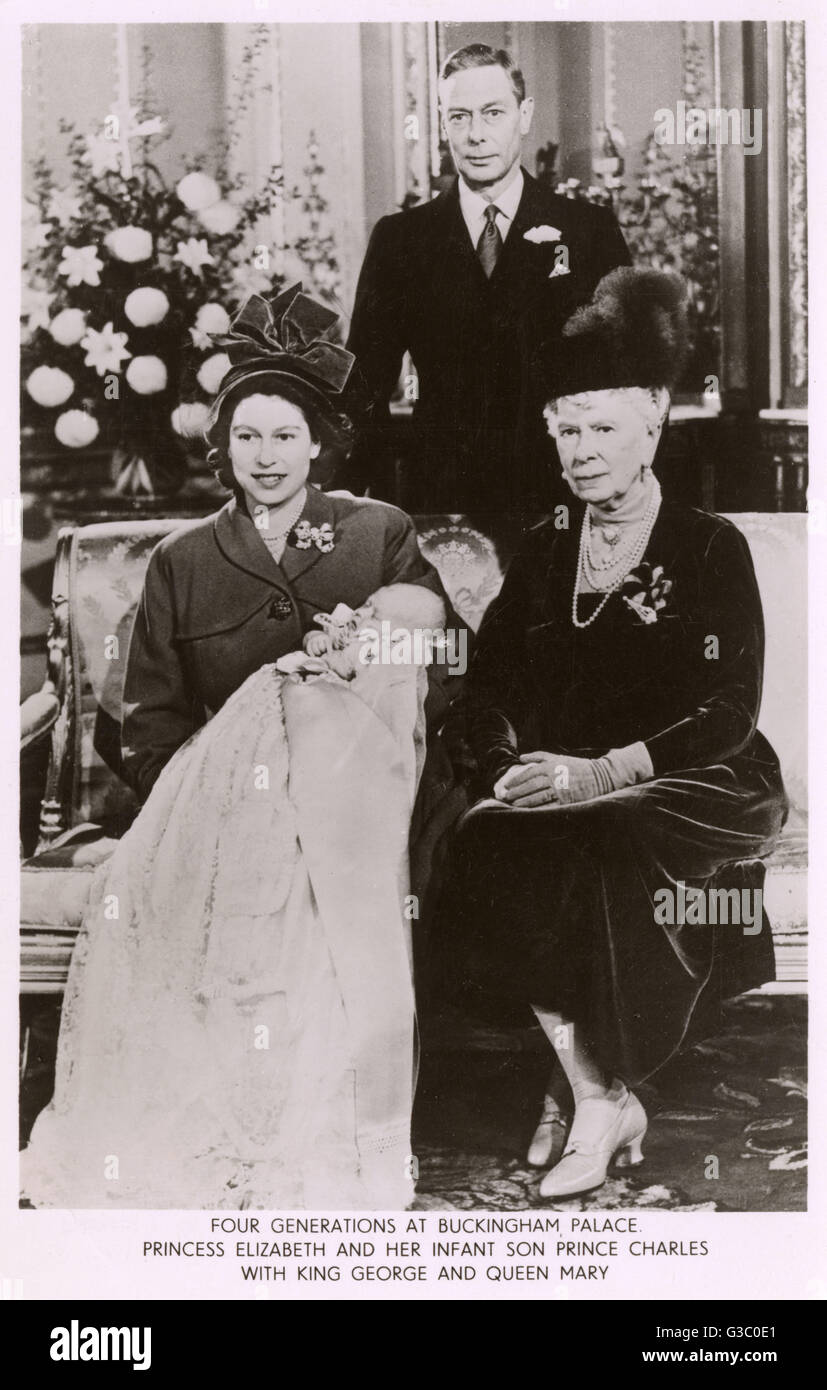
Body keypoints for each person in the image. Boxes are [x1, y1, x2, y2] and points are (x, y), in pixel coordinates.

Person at [19, 284, 460, 1210]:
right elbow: (143, 720)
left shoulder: (376, 533)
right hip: (213, 800)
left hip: (358, 804)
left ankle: (346, 1137)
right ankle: (244, 1134)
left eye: (285, 436)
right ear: (223, 449)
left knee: (323, 851)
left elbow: (441, 666)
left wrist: (359, 650)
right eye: (248, 437)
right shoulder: (182, 560)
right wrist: (217, 798)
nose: (267, 457)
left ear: (319, 445)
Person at [433, 267, 788, 1199]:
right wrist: (507, 766)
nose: (582, 451)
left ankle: (590, 1097)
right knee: (488, 835)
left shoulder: (710, 545)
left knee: (607, 832)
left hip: (698, 778)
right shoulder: (547, 547)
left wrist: (601, 773)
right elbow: (486, 687)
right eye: (567, 430)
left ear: (651, 429)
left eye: (603, 429)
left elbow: (728, 710)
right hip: (563, 779)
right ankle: (599, 1091)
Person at [343, 42, 631, 514]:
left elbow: (622, 380)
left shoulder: (588, 232)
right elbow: (364, 386)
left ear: (525, 114)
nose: (476, 135)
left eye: (492, 113)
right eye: (459, 117)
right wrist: (351, 506)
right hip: (441, 497)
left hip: (561, 499)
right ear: (442, 123)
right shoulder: (401, 240)